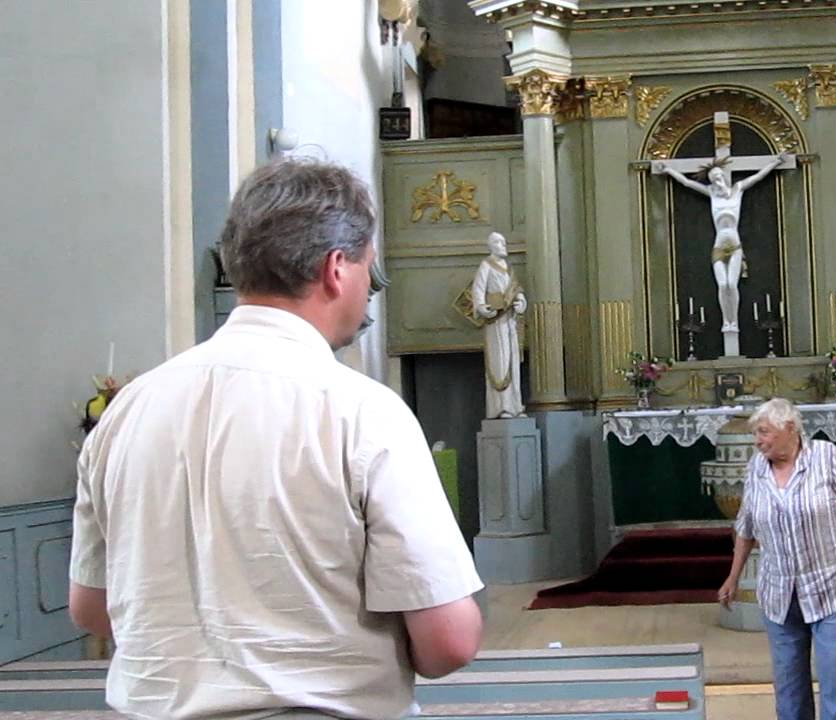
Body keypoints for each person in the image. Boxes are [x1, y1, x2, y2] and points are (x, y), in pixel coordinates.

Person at [69, 158, 485, 719]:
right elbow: (448, 642)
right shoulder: (363, 412)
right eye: (368, 268)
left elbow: (93, 610)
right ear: (337, 269)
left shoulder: (127, 412)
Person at [718, 398, 836, 720]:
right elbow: (745, 528)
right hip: (779, 593)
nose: (757, 441)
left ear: (789, 428)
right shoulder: (756, 468)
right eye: (755, 434)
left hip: (832, 586)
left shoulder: (826, 457)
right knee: (789, 690)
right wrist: (733, 577)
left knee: (834, 683)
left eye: (763, 432)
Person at [655, 154, 788, 332]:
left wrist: (776, 163)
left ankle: (734, 322)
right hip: (719, 246)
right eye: (713, 177)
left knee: (731, 285)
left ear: (723, 175)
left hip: (734, 246)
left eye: (718, 175)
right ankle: (726, 321)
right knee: (722, 285)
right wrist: (669, 170)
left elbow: (758, 177)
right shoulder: (711, 193)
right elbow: (687, 183)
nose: (717, 179)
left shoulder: (738, 189)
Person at [470, 231, 527, 418]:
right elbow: (478, 289)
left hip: (510, 320)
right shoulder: (486, 265)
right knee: (499, 363)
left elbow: (516, 289)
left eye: (503, 242)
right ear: (491, 246)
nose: (503, 245)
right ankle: (501, 407)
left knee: (512, 364)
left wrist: (521, 302)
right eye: (498, 242)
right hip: (496, 322)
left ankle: (515, 405)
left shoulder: (509, 268)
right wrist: (481, 307)